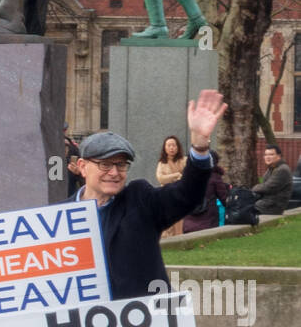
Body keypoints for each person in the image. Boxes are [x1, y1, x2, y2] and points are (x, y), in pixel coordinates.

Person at [74, 89, 227, 299]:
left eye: (121, 165)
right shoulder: (58, 218)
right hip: (82, 325)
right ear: (82, 167)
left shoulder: (140, 200)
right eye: (105, 164)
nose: (115, 172)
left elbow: (187, 194)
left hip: (143, 324)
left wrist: (200, 146)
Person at [182, 149, 228, 233]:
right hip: (208, 222)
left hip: (189, 222)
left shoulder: (188, 175)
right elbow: (224, 198)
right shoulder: (215, 176)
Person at [156, 134, 187, 237]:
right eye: (169, 145)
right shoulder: (162, 163)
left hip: (181, 195)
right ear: (164, 148)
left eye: (174, 145)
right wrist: (176, 175)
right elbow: (160, 178)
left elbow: (187, 176)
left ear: (178, 147)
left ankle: (179, 239)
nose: (171, 148)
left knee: (179, 221)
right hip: (166, 196)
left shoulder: (184, 160)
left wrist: (170, 178)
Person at [252, 144, 293, 215]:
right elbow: (264, 186)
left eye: (271, 154)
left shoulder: (282, 170)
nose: (267, 157)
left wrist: (254, 187)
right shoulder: (272, 168)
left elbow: (267, 188)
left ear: (279, 156)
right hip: (265, 203)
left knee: (241, 211)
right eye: (266, 155)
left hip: (272, 207)